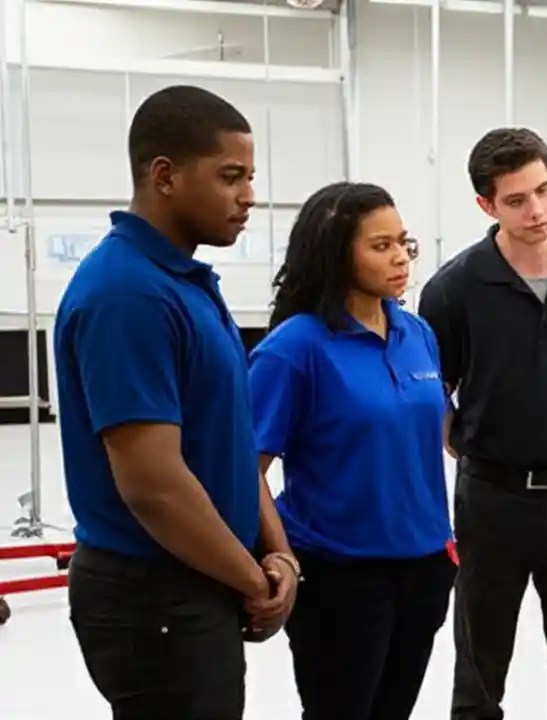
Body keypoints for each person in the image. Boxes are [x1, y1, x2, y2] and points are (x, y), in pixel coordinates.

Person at [54, 84, 299, 720]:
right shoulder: (128, 294)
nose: (248, 196)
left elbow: (233, 443)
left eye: (250, 176)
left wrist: (278, 554)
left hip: (201, 577)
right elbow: (154, 485)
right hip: (153, 596)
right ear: (164, 175)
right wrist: (253, 581)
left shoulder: (185, 281)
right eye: (230, 176)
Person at [417, 127, 547, 720]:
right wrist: (475, 445)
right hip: (491, 503)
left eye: (542, 189)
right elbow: (435, 392)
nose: (536, 210)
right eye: (516, 200)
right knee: (480, 676)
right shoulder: (453, 290)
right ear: (486, 205)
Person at [246, 181, 457, 720]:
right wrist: (283, 555)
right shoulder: (295, 348)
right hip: (338, 576)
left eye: (403, 243)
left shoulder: (417, 334)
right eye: (379, 245)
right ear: (336, 252)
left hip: (424, 568)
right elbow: (245, 470)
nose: (399, 258)